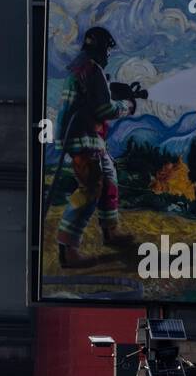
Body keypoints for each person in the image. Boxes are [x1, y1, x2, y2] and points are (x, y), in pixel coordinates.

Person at [53, 26, 137, 268]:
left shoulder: (83, 68)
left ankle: (110, 231)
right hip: (83, 139)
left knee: (109, 177)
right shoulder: (92, 69)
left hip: (90, 138)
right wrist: (127, 106)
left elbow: (95, 99)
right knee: (90, 190)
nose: (108, 56)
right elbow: (103, 109)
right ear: (100, 48)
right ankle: (68, 249)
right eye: (108, 50)